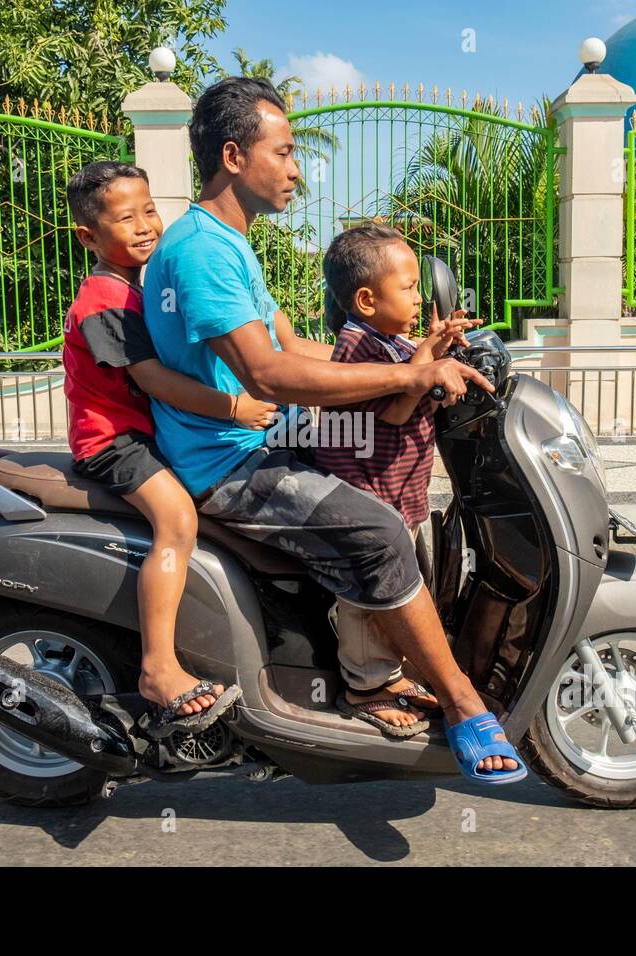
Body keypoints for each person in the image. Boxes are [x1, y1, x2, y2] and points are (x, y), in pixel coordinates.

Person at [141, 77, 528, 783]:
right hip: (230, 463)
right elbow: (269, 376)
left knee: (393, 503)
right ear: (234, 155)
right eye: (284, 152)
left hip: (268, 440)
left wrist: (419, 356)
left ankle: (369, 665)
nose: (296, 169)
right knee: (379, 529)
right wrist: (405, 379)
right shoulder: (201, 251)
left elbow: (303, 353)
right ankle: (460, 703)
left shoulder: (231, 244)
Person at [63, 160, 276, 736]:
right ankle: (158, 667)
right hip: (113, 440)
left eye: (150, 210)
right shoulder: (103, 298)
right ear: (89, 237)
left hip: (148, 433)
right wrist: (235, 407)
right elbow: (154, 380)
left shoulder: (144, 285)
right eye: (125, 218)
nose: (144, 226)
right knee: (178, 519)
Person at [313, 223, 478, 737]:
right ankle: (366, 684)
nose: (416, 298)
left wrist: (434, 343)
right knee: (368, 597)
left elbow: (410, 368)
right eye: (406, 289)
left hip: (395, 491)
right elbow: (393, 411)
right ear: (365, 299)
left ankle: (391, 671)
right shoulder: (357, 345)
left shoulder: (384, 340)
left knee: (399, 587)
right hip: (368, 495)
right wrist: (425, 379)